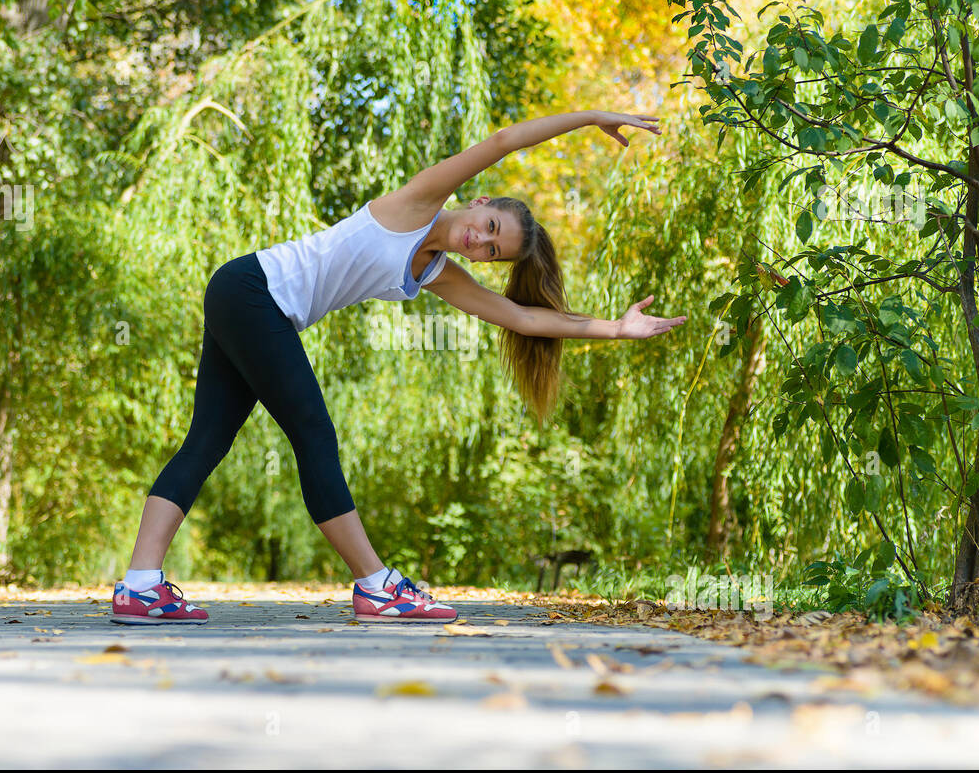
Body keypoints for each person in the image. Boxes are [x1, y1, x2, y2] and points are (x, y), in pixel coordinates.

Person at [111, 109, 687, 624]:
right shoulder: (420, 202)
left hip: (249, 296)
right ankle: (377, 585)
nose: (479, 242)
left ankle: (140, 585)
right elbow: (508, 139)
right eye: (489, 228)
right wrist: (588, 118)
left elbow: (521, 318)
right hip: (255, 290)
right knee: (313, 433)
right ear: (480, 203)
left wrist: (617, 327)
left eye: (492, 251)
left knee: (207, 441)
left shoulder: (437, 271)